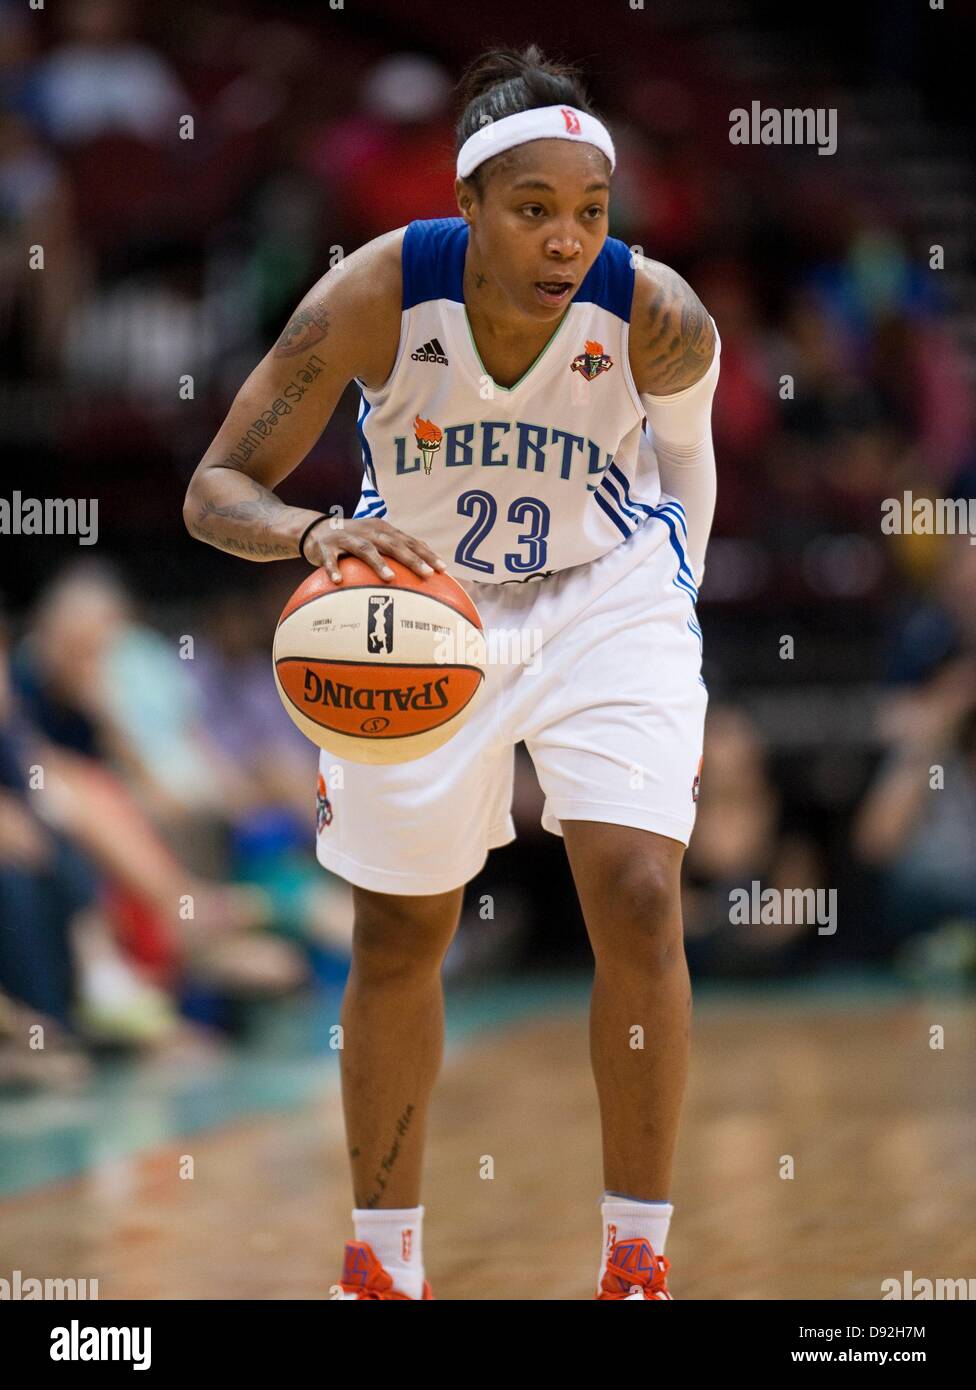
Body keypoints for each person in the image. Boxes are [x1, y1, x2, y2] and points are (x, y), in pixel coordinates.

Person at [183, 45, 721, 1301]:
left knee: (639, 889)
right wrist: (315, 534)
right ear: (466, 205)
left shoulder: (655, 312)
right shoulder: (375, 293)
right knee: (397, 929)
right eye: (533, 210)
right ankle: (383, 1261)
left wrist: (674, 587)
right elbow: (215, 490)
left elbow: (688, 467)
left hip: (607, 590)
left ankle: (635, 1255)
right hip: (420, 604)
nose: (564, 242)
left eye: (589, 214)